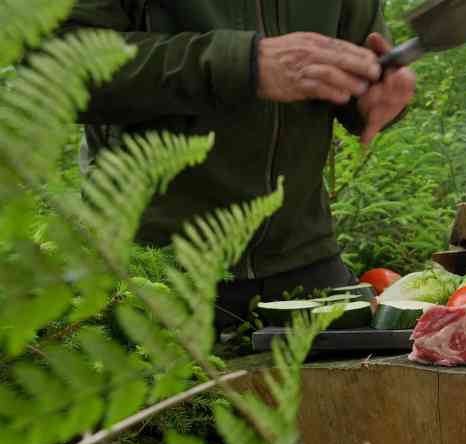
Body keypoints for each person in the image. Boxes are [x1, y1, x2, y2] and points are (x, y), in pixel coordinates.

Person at [62, 1, 416, 329]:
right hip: (154, 267)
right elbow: (60, 65)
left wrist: (377, 91)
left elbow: (360, 62)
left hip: (305, 260)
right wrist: (242, 63)